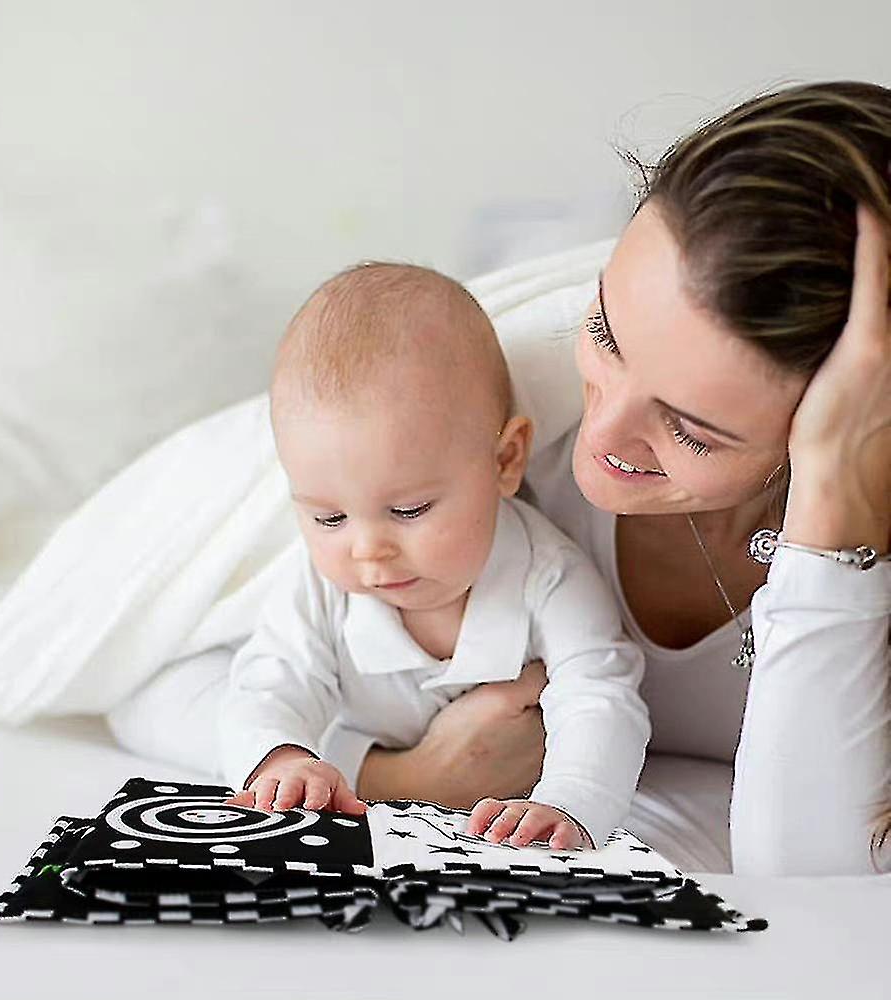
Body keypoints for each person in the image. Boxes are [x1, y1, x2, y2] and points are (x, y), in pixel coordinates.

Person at [102, 80, 889, 876]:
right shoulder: (462, 449)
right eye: (606, 333)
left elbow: (812, 885)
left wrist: (833, 520)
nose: (602, 437)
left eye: (691, 428)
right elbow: (150, 676)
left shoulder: (856, 531)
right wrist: (403, 778)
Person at [219, 262, 651, 853]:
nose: (368, 550)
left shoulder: (548, 576)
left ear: (504, 461)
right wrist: (282, 756)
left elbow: (599, 691)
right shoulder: (319, 588)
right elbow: (268, 683)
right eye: (329, 518)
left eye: (410, 509)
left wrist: (570, 802)